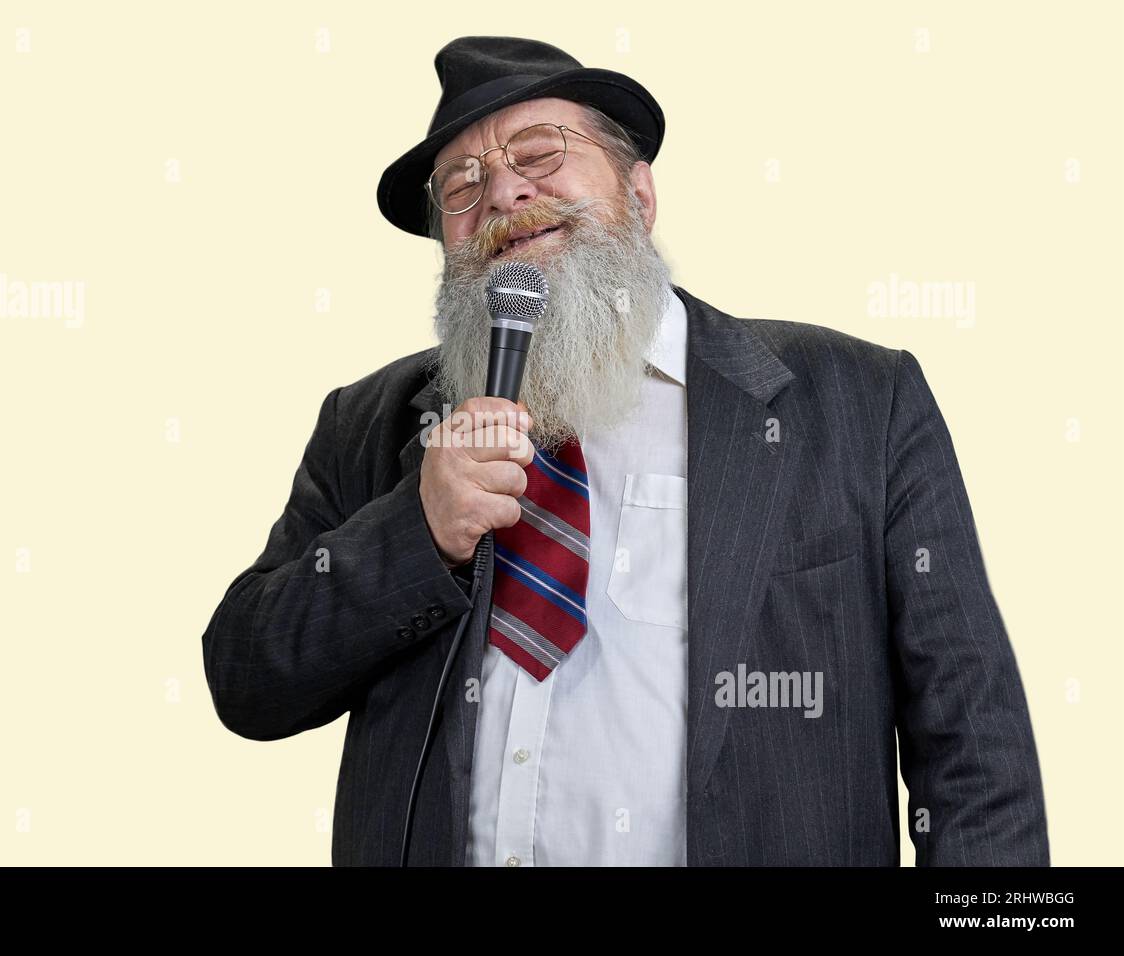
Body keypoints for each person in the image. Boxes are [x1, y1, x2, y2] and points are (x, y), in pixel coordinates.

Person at [201, 35, 1050, 867]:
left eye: (539, 153)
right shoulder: (371, 423)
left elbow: (974, 744)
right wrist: (413, 532)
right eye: (462, 185)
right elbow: (247, 680)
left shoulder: (857, 400)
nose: (501, 192)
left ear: (639, 196)